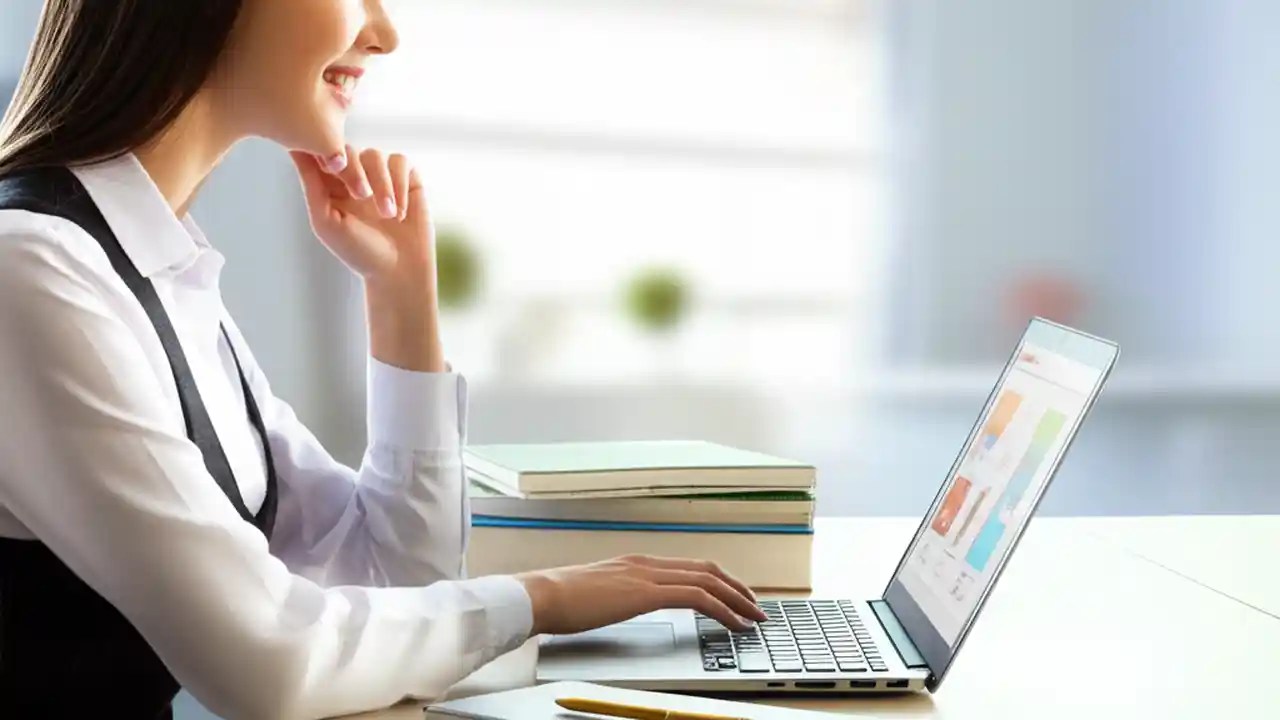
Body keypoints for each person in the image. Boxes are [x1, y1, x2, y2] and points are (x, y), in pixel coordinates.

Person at [0, 2, 766, 718]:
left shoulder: (158, 272)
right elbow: (266, 662)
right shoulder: (34, 272)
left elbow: (397, 576)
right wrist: (544, 597)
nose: (382, 33)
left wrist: (401, 293)